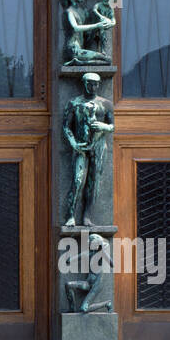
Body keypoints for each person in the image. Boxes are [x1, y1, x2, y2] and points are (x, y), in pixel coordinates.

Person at [63, 73, 114, 227]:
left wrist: (104, 126)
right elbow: (66, 126)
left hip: (98, 145)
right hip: (80, 145)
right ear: (84, 84)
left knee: (93, 182)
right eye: (90, 84)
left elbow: (112, 125)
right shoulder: (74, 103)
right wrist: (73, 143)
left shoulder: (106, 104)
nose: (93, 87)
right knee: (78, 180)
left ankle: (87, 216)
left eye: (96, 84)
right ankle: (70, 215)